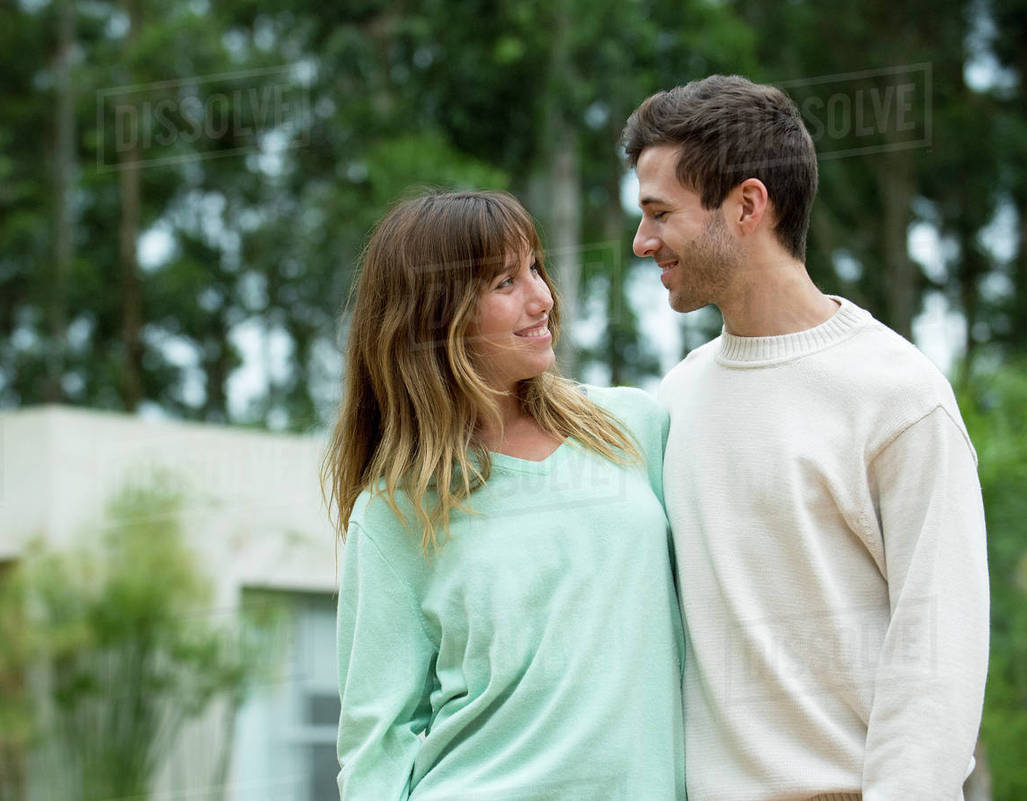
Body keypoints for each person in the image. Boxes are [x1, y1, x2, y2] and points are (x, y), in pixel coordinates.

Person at [623, 76, 989, 801]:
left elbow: (938, 658)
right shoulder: (677, 399)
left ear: (748, 205)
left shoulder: (899, 396)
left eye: (660, 214)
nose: (642, 242)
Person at [323, 190, 686, 801]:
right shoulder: (397, 510)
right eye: (504, 281)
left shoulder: (634, 429)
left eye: (535, 268)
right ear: (436, 317)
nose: (542, 297)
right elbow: (376, 743)